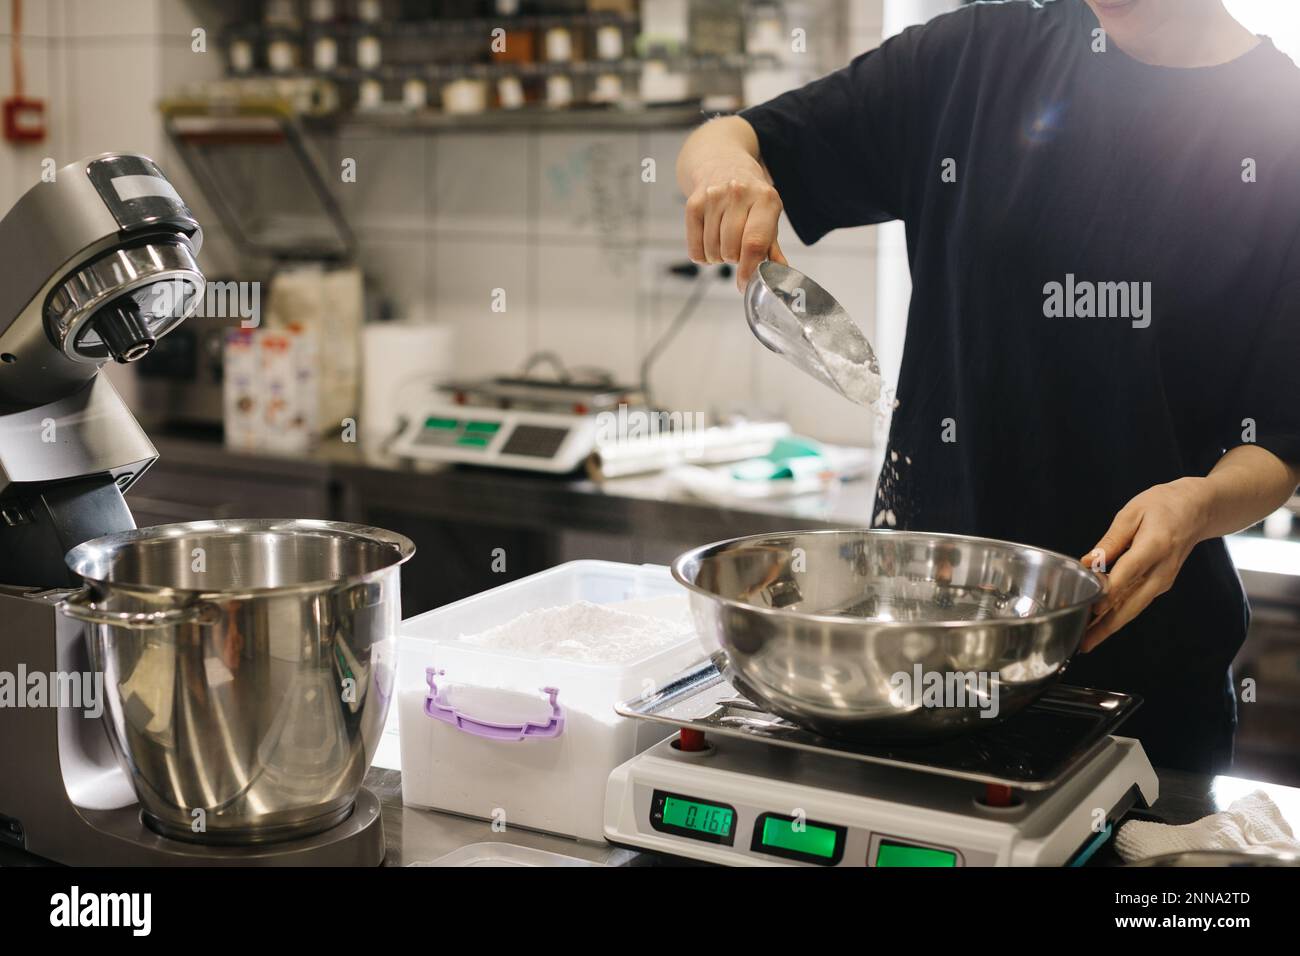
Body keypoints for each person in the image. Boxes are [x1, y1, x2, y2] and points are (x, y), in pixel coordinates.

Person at [675, 0, 1300, 773]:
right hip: (910, 669)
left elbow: (1280, 436)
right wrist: (730, 171)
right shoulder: (976, 60)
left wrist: (1198, 505)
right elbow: (728, 136)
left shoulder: (1282, 127)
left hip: (1141, 685)